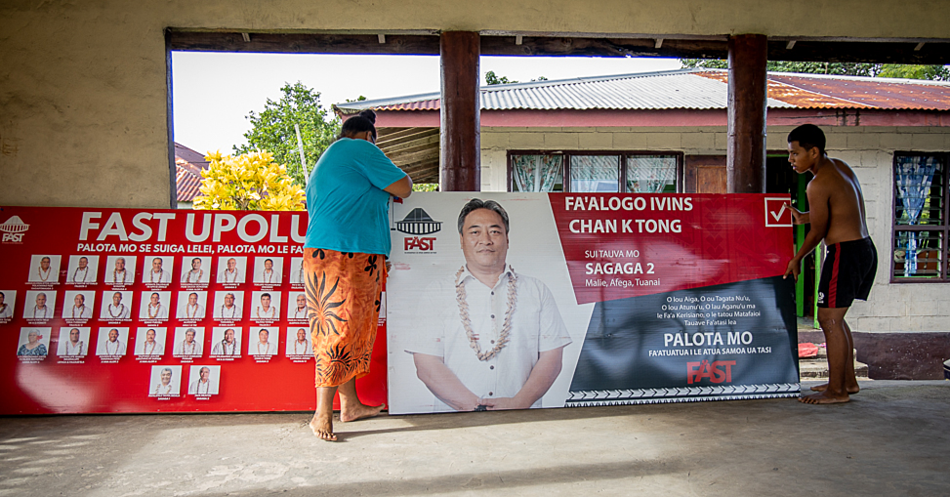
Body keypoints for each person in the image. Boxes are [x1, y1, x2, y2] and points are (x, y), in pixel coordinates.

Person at [305, 109, 412, 441]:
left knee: (353, 331)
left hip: (351, 252)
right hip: (341, 253)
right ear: (369, 136)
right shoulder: (359, 149)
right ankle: (321, 413)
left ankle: (349, 404)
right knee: (336, 330)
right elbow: (405, 187)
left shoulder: (331, 159)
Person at [407, 198, 572, 412]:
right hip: (455, 423)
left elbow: (552, 358)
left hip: (522, 419)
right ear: (461, 239)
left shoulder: (536, 291)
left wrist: (518, 404)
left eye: (494, 231)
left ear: (507, 239)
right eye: (475, 232)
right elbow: (426, 365)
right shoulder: (436, 293)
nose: (485, 240)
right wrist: (476, 408)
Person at [783, 124, 877, 405]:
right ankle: (847, 381)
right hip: (863, 247)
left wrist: (797, 259)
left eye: (795, 153)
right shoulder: (839, 168)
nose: (791, 159)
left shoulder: (817, 183)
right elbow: (839, 208)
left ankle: (837, 392)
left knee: (829, 319)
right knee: (837, 319)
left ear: (814, 152)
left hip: (844, 253)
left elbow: (819, 232)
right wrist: (804, 216)